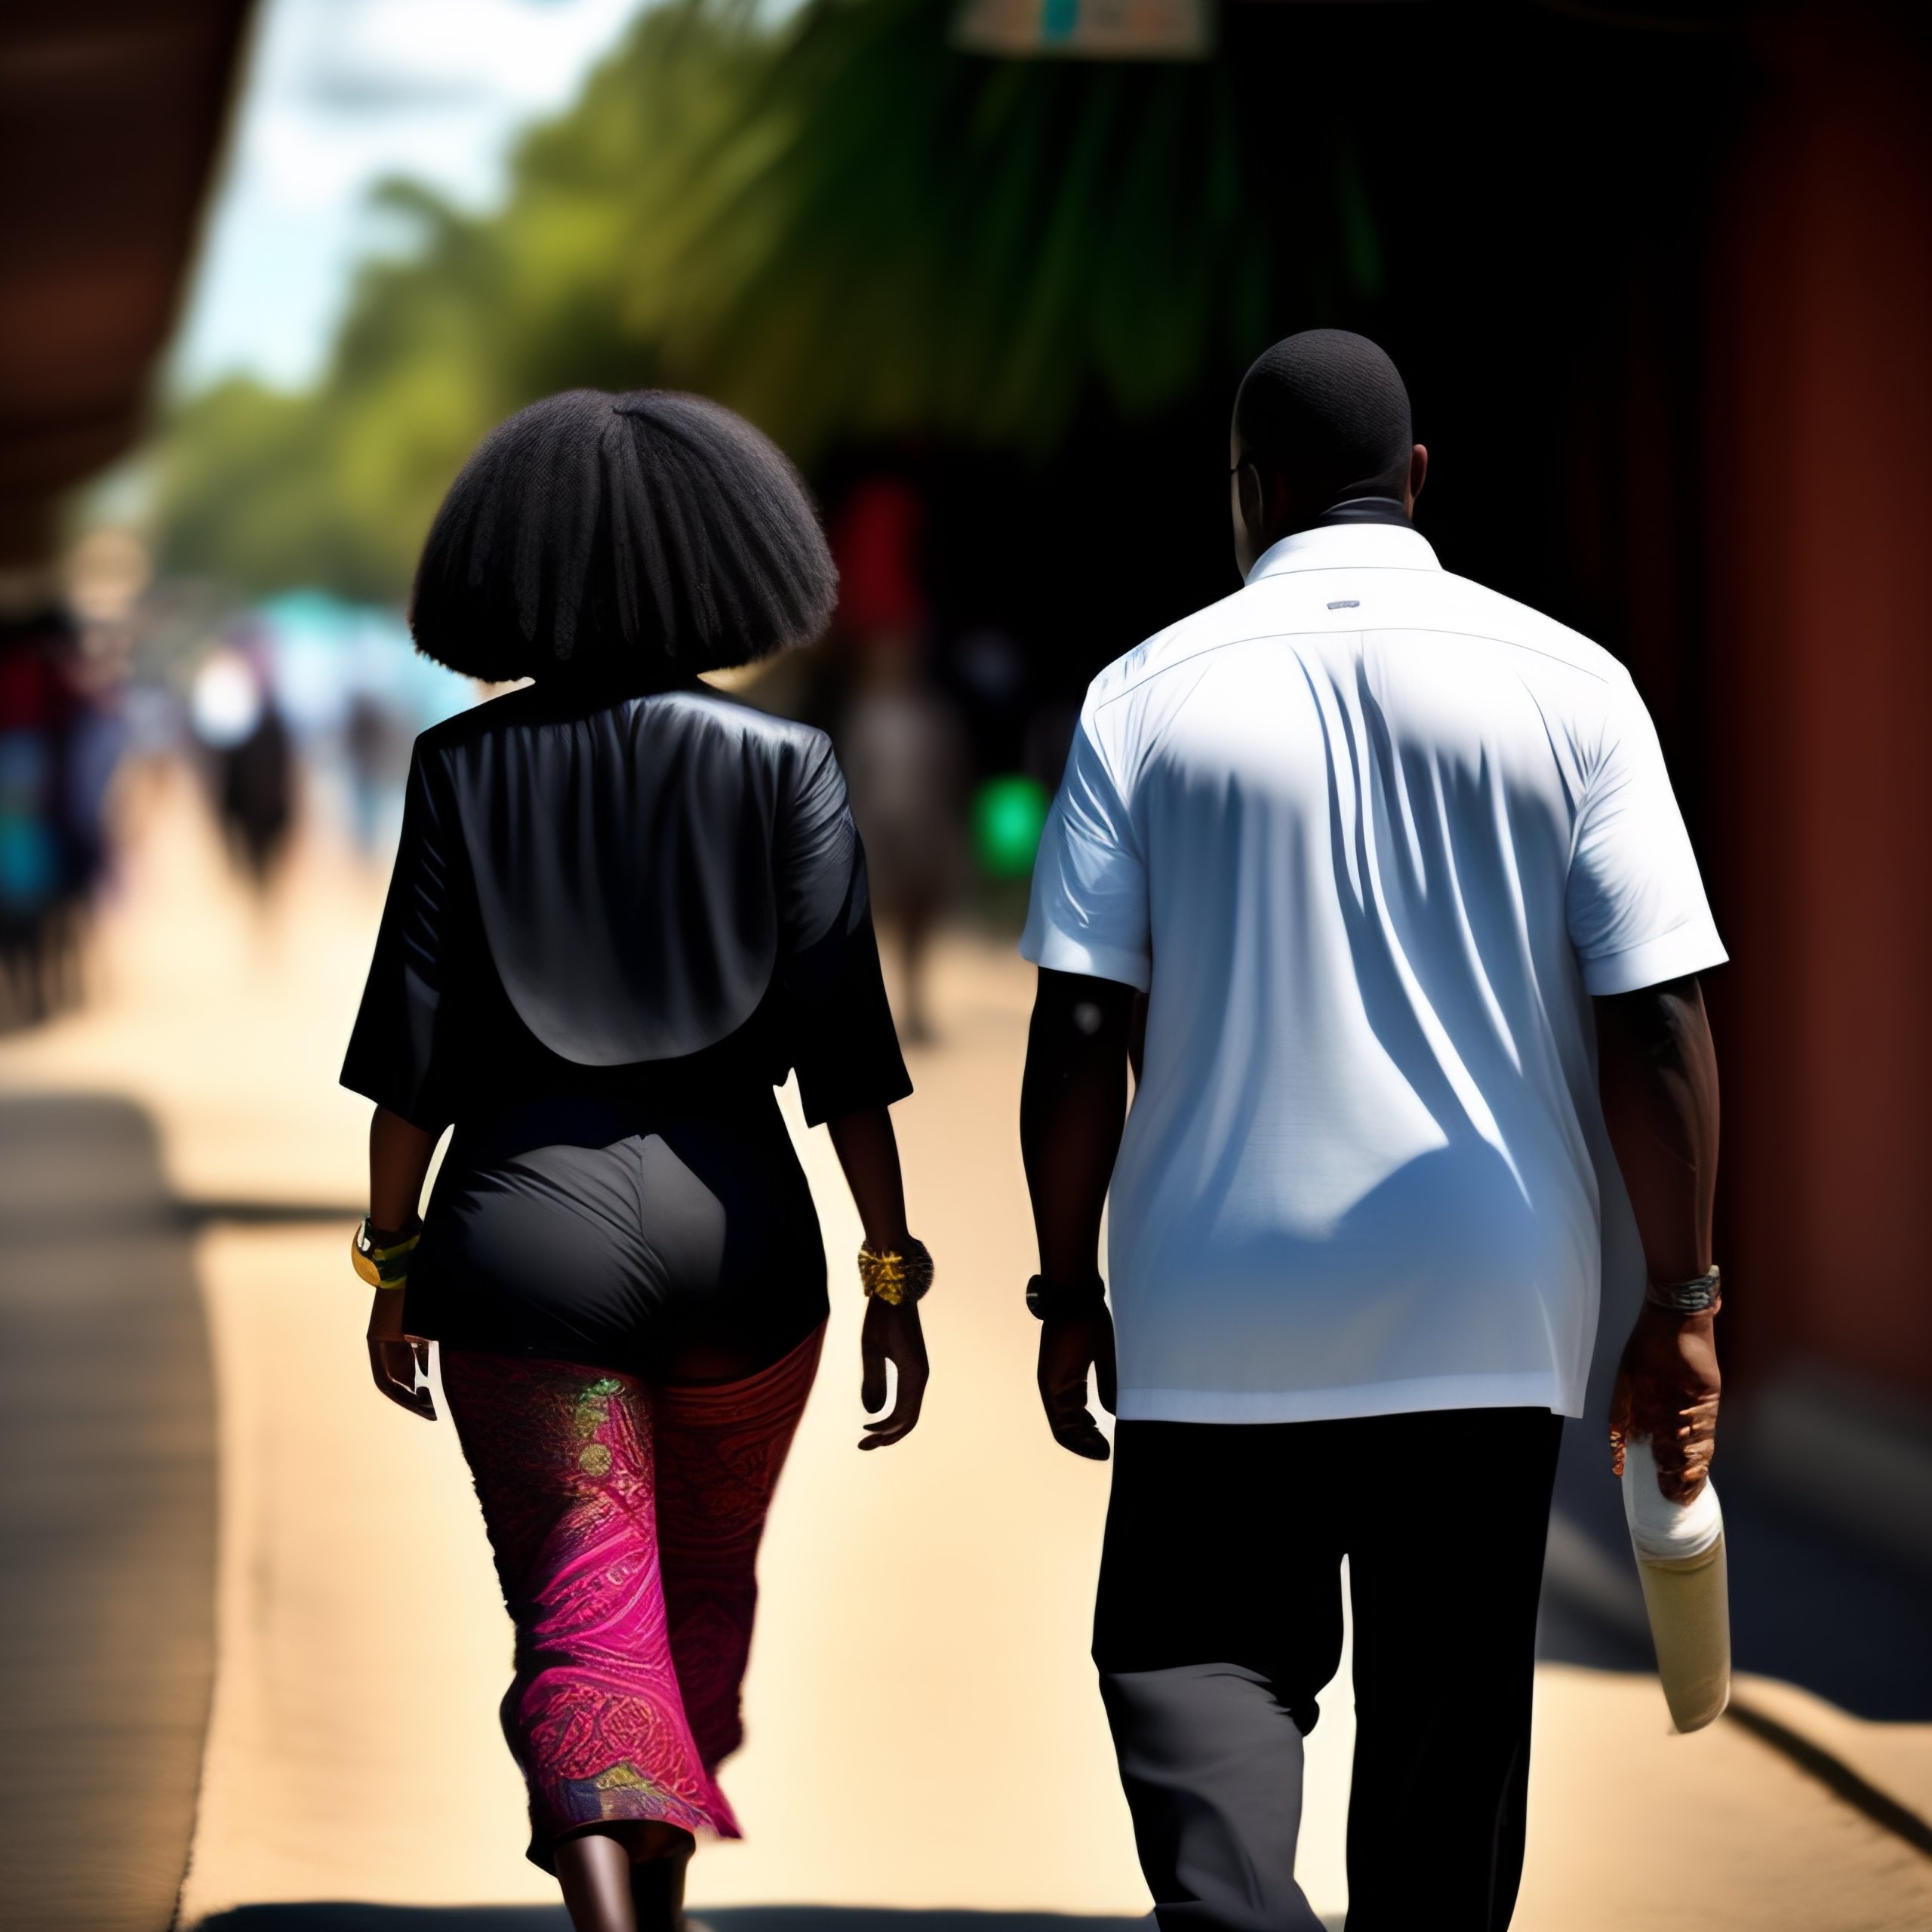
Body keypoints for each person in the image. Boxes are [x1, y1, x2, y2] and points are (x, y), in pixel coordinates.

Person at [1017, 330, 1724, 1931]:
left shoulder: (1142, 693)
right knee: (1445, 1755)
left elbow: (1074, 1027)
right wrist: (1679, 1305)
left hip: (1215, 1307)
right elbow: (1658, 1021)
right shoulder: (1571, 685)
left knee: (1187, 1672)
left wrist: (1069, 1289)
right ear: (1412, 481)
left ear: (1247, 494)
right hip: (1485, 1304)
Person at [340, 391, 934, 1932]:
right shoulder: (785, 761)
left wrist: (390, 1257)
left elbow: (413, 1053)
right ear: (726, 561)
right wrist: (889, 1268)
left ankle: (611, 1915)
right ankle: (649, 1910)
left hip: (521, 1237)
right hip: (746, 1243)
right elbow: (846, 1054)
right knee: (698, 1600)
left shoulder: (457, 766)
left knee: (580, 1611)